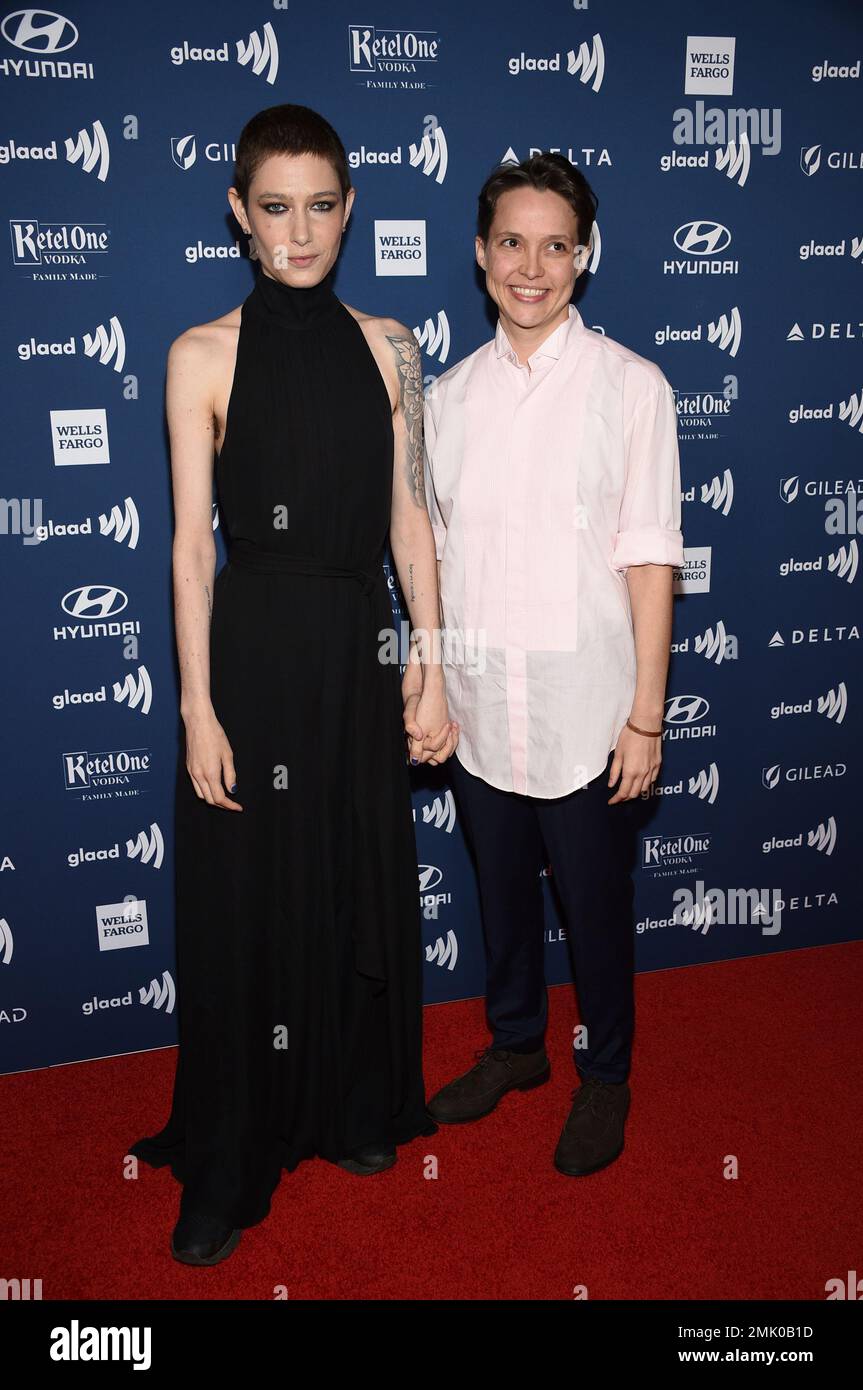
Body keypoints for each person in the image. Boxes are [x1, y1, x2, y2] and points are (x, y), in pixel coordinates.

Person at [127, 103, 457, 1265]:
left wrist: (430, 661)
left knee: (352, 873)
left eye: (321, 205)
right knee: (245, 890)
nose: (299, 230)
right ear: (238, 212)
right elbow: (186, 547)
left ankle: (352, 1103)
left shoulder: (395, 347)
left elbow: (412, 521)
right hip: (256, 650)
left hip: (355, 641)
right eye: (275, 206)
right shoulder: (198, 354)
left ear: (350, 207)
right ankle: (232, 1148)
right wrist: (195, 706)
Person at [421, 152, 684, 1176]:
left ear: (583, 255)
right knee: (499, 899)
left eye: (554, 245)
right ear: (481, 254)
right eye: (511, 243)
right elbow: (429, 563)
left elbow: (650, 556)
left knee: (596, 907)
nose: (531, 266)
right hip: (483, 708)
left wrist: (644, 715)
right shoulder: (443, 398)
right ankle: (516, 1047)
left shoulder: (632, 387)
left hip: (586, 712)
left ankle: (605, 1073)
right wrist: (429, 680)